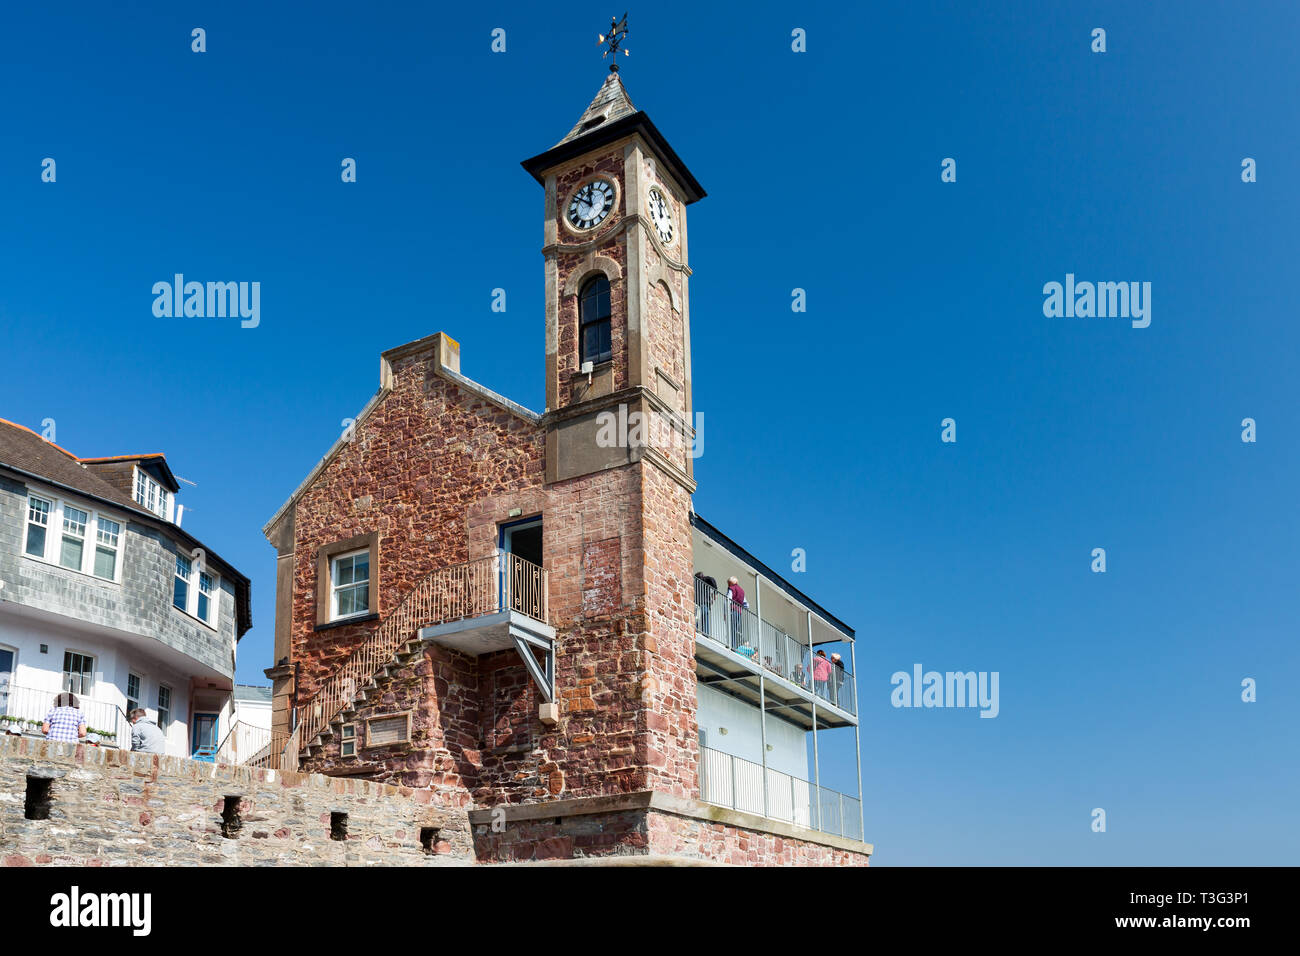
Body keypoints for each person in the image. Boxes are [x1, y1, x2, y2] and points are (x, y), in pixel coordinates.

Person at [726, 576, 746, 649]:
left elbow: (728, 599)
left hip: (733, 610)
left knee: (731, 628)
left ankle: (731, 645)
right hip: (739, 612)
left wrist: (725, 612)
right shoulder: (742, 591)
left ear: (730, 583)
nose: (728, 584)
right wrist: (741, 608)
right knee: (735, 629)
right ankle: (733, 646)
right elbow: (746, 604)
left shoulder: (731, 588)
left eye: (728, 583)